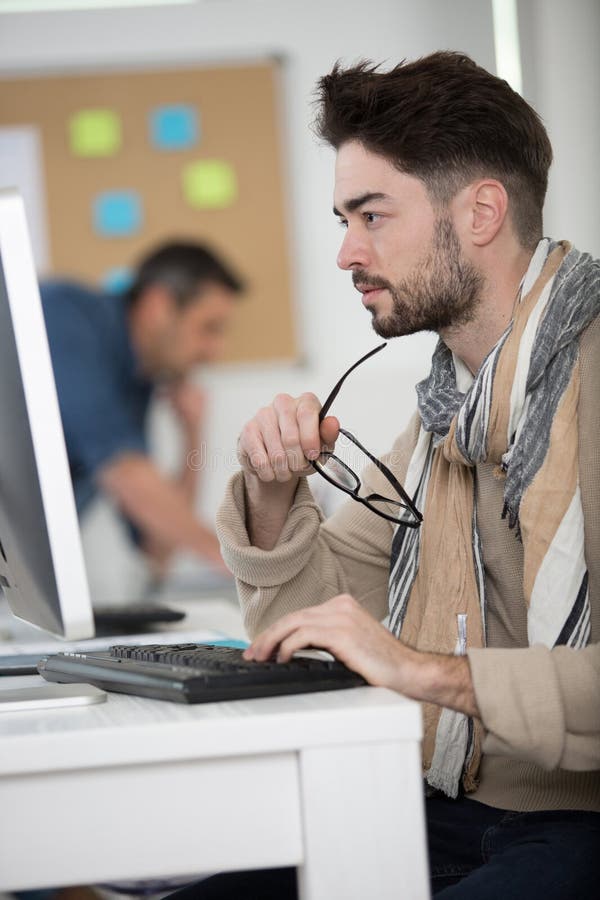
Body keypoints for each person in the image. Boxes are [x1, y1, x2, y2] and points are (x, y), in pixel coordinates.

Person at [167, 52, 600, 898]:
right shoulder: (443, 414)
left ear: (480, 212)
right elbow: (318, 628)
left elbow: (392, 659)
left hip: (577, 821)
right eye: (342, 219)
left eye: (370, 215)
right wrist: (272, 488)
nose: (345, 253)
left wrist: (427, 672)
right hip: (448, 807)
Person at [40, 240, 243, 575]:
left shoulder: (137, 382)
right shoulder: (65, 316)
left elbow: (157, 548)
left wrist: (193, 432)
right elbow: (123, 471)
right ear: (158, 305)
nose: (215, 351)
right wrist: (243, 566)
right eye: (209, 329)